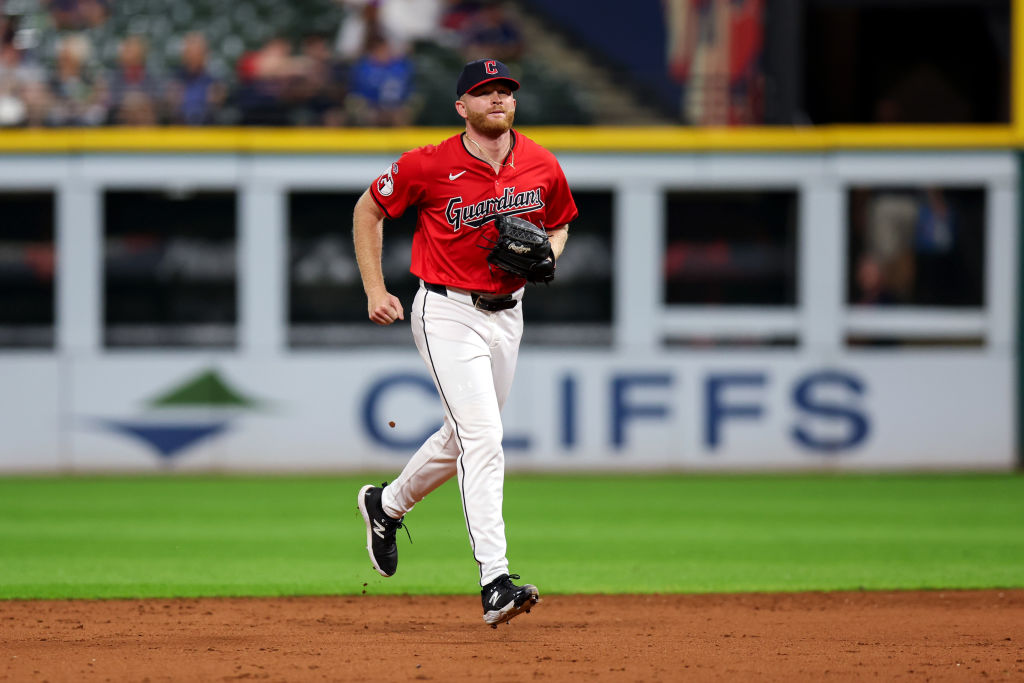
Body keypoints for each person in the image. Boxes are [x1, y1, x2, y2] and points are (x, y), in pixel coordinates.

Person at [353, 58, 577, 628]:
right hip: (447, 310)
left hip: (509, 314)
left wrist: (549, 253)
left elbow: (560, 220)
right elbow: (368, 209)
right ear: (462, 108)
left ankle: (387, 504)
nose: (497, 98)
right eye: (484, 92)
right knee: (484, 436)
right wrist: (376, 287)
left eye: (505, 90)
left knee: (463, 436)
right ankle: (495, 582)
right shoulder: (427, 164)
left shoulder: (541, 163)